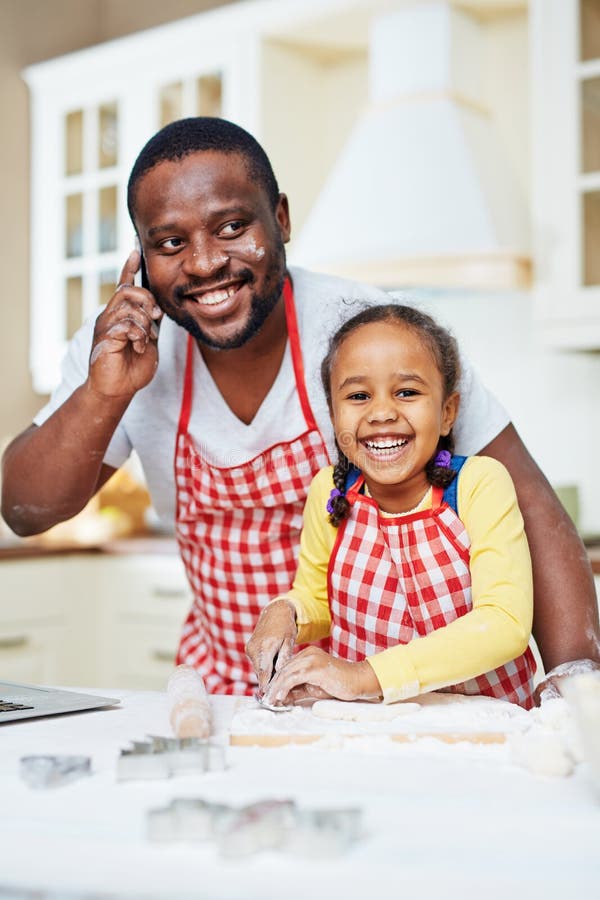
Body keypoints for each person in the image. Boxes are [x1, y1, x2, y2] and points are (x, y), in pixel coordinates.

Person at [1, 117, 597, 697]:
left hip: (389, 686)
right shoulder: (119, 344)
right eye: (171, 242)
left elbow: (531, 507)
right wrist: (105, 392)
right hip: (231, 691)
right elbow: (25, 509)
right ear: (142, 255)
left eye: (232, 226)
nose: (205, 263)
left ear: (280, 218)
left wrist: (577, 690)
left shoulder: (363, 332)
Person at [246, 304, 536, 708]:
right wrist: (287, 611)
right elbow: (318, 599)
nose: (382, 413)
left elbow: (504, 624)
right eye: (359, 396)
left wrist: (366, 676)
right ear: (333, 415)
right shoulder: (329, 492)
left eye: (407, 392)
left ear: (447, 412)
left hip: (484, 725)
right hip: (370, 724)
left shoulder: (478, 484)